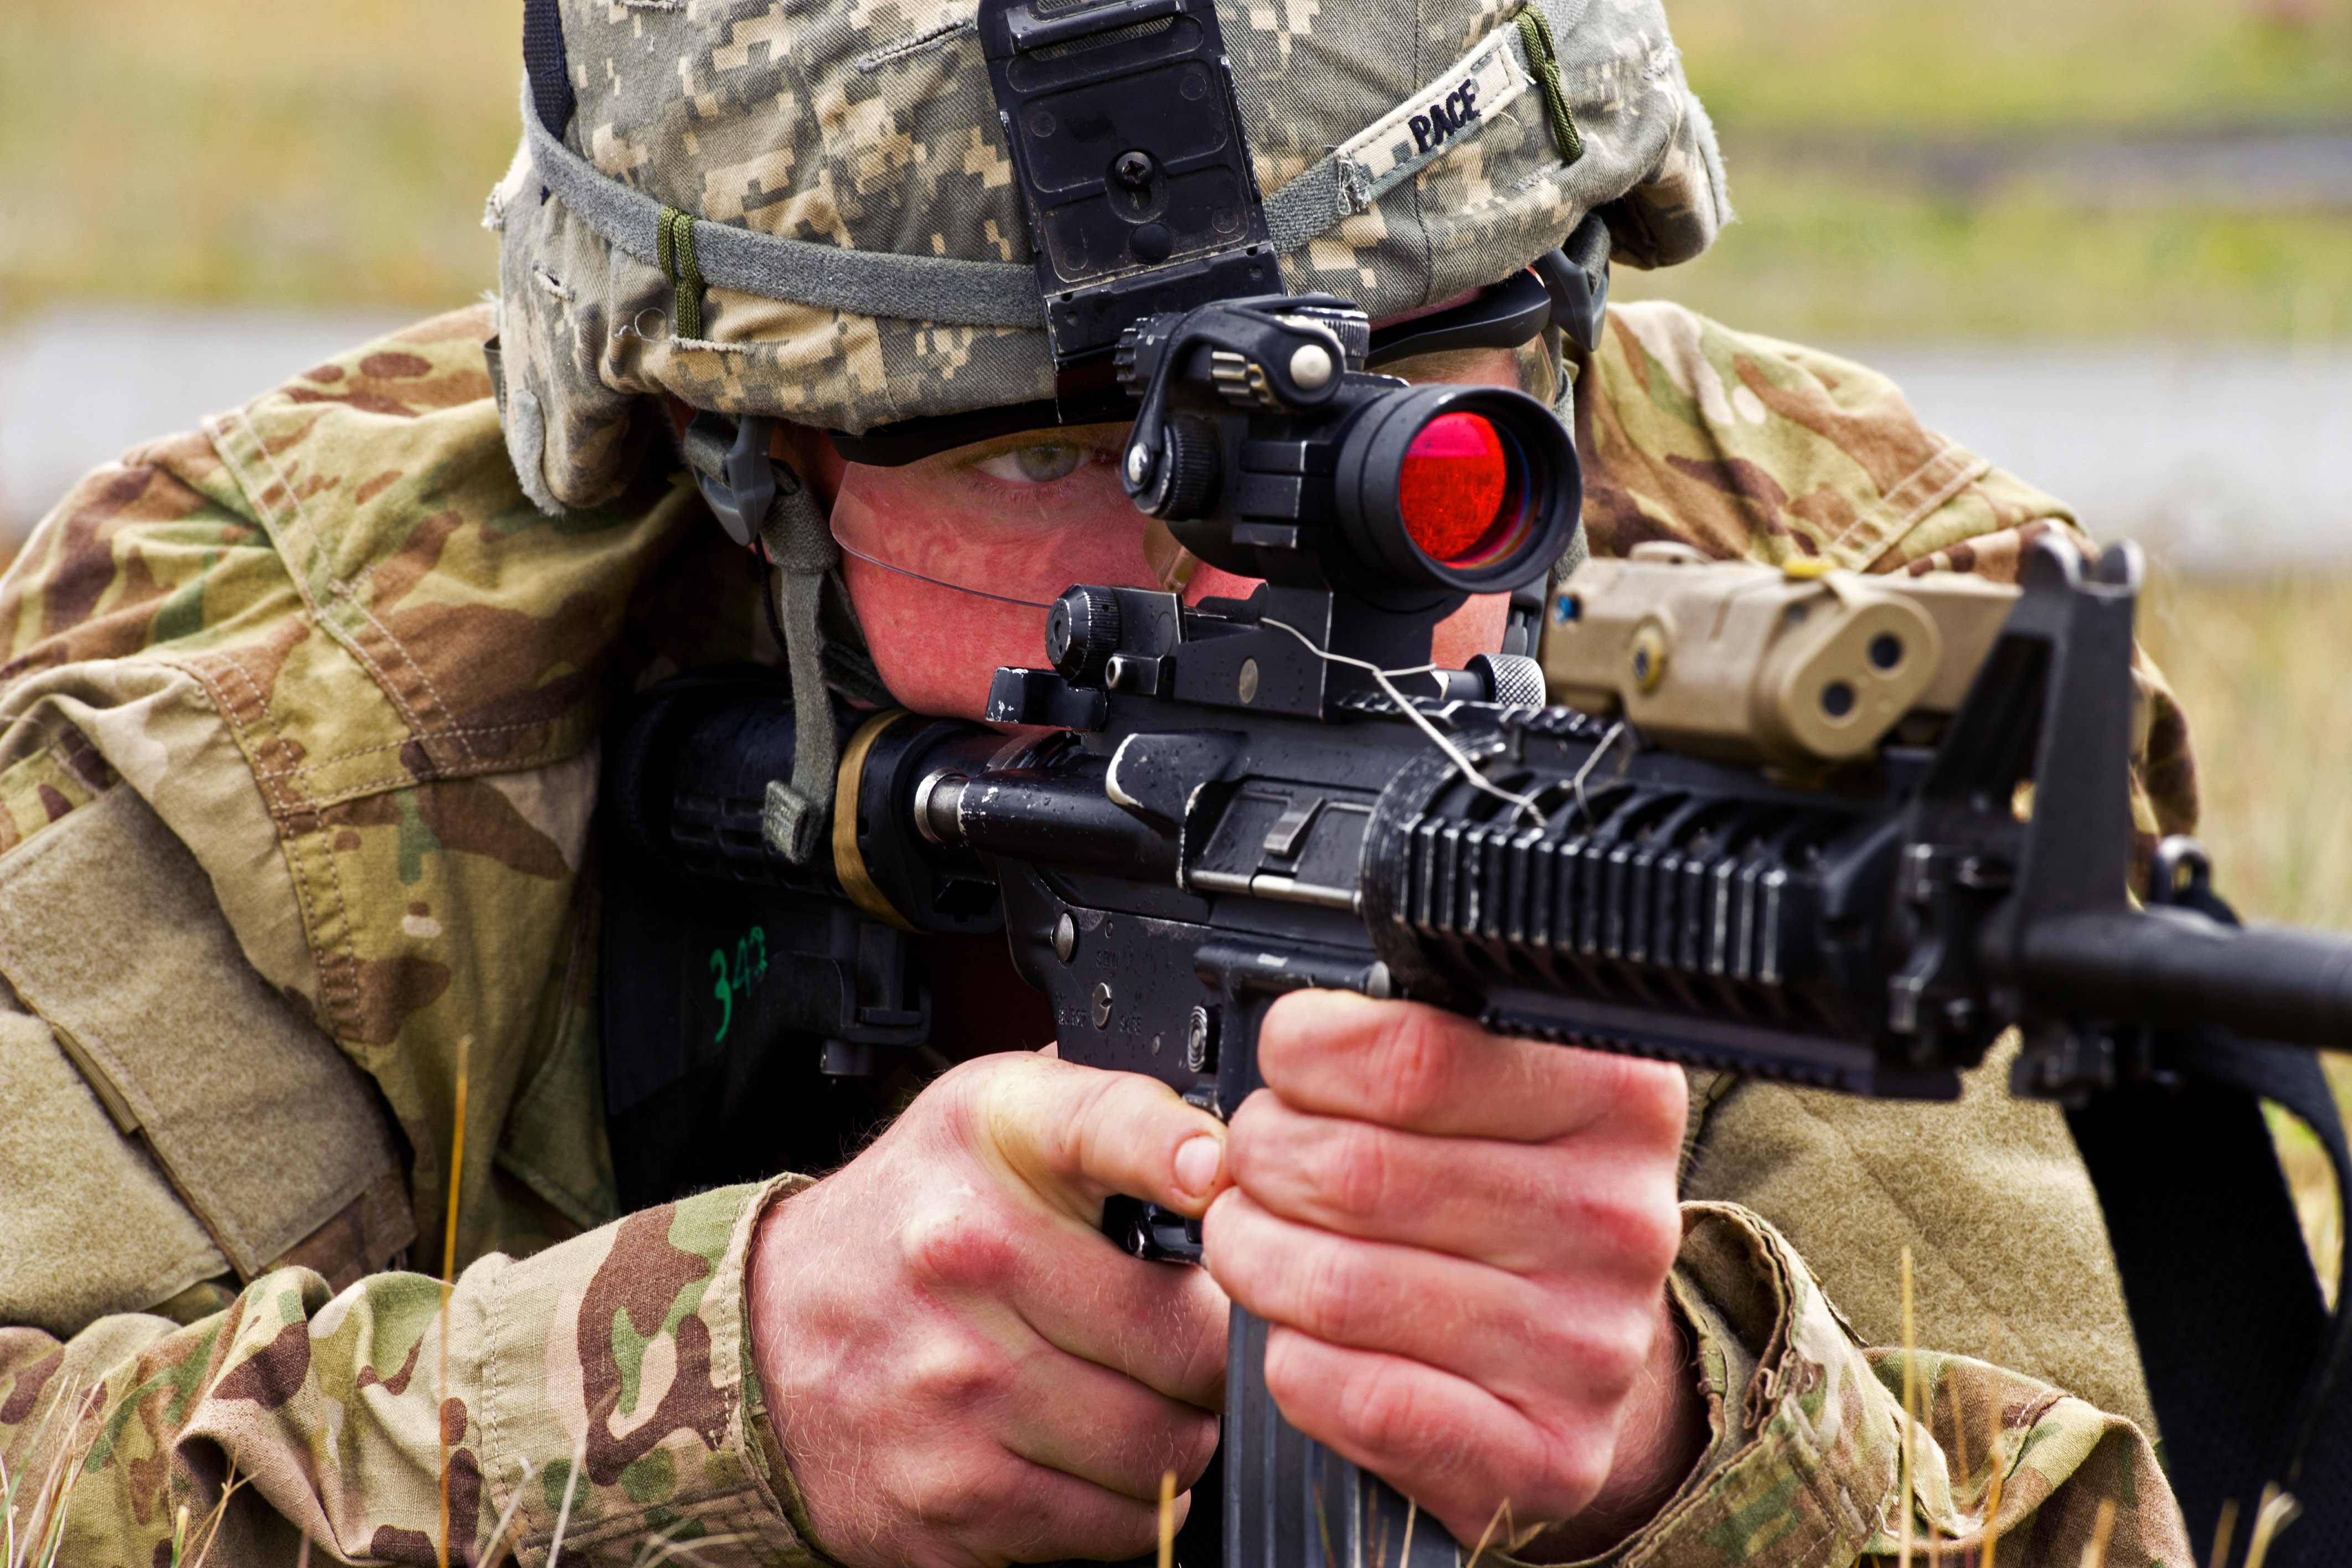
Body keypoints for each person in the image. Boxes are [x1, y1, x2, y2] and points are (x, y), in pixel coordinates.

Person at [0, 0, 2206, 1561]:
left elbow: (2165, 1509)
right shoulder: (300, 687)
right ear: (734, 455)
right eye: (1055, 446)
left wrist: (1669, 1455)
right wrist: (702, 1399)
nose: (1263, 561)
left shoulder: (1865, 663)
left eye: (1421, 390)